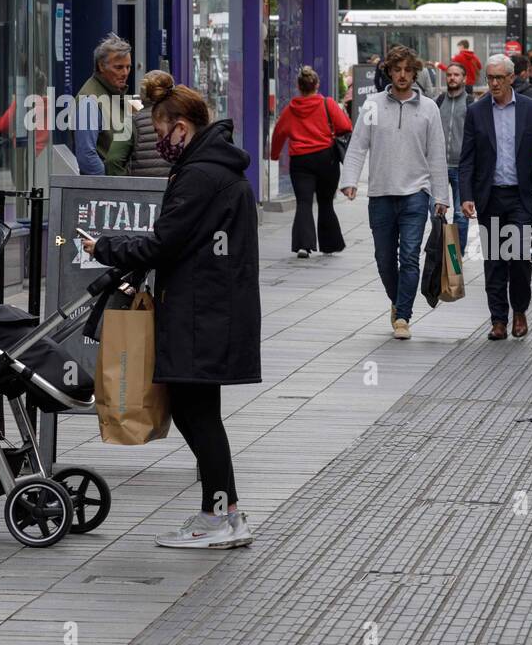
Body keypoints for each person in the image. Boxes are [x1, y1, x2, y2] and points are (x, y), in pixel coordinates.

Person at [84, 71, 260, 550]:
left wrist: (104, 246)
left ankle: (220, 517)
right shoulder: (217, 168)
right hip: (212, 308)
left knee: (197, 415)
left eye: (162, 133)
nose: (160, 142)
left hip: (203, 312)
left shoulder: (200, 175)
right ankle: (224, 513)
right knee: (200, 413)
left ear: (182, 126)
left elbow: (164, 243)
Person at [340, 46, 450, 340]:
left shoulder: (429, 108)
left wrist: (441, 197)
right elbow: (358, 145)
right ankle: (398, 300)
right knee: (384, 259)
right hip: (380, 194)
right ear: (389, 71)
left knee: (410, 257)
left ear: (415, 73)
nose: (402, 75)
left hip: (416, 193)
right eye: (397, 70)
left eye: (408, 70)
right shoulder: (373, 104)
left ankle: (403, 316)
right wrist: (349, 180)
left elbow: (437, 155)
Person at [460, 53, 532, 340]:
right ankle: (498, 319)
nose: (494, 83)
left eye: (500, 77)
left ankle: (520, 310)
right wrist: (466, 195)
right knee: (495, 260)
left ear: (512, 77)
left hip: (522, 196)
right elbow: (467, 158)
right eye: (490, 78)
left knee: (520, 258)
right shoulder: (476, 111)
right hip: (491, 196)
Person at [272, 65, 352, 258]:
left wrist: (274, 155)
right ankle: (330, 244)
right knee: (325, 202)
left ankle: (303, 245)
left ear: (299, 86)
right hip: (326, 159)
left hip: (300, 162)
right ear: (316, 84)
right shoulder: (327, 103)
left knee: (304, 202)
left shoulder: (291, 109)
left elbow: (279, 132)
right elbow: (345, 125)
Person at [75, 33, 136, 176]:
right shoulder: (89, 100)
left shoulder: (117, 94)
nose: (125, 73)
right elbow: (86, 156)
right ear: (101, 66)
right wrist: (109, 187)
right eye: (119, 67)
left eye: (128, 67)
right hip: (110, 192)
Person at [437, 61, 472, 249]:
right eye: (449, 74)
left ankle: (456, 257)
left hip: (462, 168)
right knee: (437, 213)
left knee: (460, 214)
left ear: (464, 78)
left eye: (456, 75)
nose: (452, 78)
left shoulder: (471, 103)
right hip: (439, 167)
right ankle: (441, 254)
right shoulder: (438, 102)